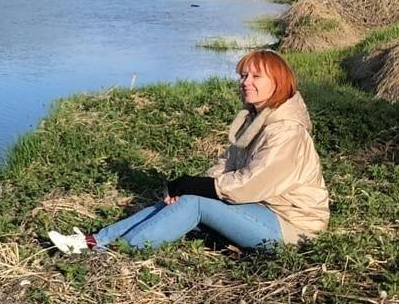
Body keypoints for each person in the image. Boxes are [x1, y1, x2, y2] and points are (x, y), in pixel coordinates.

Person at [49, 50, 329, 254]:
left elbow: (249, 185)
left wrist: (193, 187)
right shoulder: (256, 119)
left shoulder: (287, 132)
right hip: (262, 210)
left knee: (196, 200)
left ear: (278, 83)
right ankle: (95, 241)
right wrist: (190, 186)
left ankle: (118, 251)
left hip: (293, 229)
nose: (246, 81)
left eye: (256, 76)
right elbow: (226, 166)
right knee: (190, 195)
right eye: (244, 75)